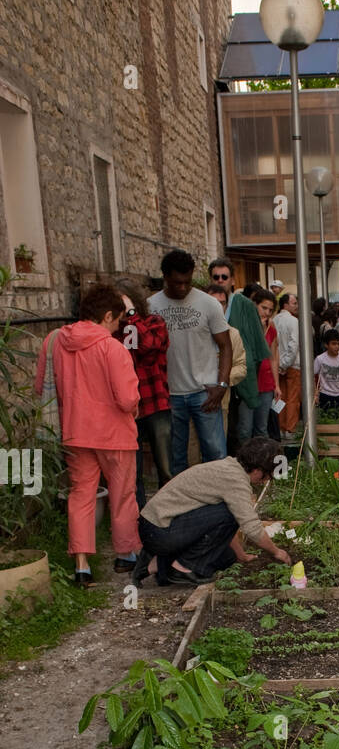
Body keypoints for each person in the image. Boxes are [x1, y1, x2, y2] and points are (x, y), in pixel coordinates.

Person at [44, 284, 140, 586]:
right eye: (118, 320)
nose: (119, 327)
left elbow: (43, 387)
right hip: (114, 434)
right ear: (107, 315)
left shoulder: (56, 341)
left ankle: (82, 565)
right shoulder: (113, 348)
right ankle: (126, 555)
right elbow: (126, 399)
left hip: (75, 432)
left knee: (81, 496)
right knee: (123, 495)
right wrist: (134, 407)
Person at [134, 437, 292, 588]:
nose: (265, 481)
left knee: (227, 558)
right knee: (228, 515)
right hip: (159, 530)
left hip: (159, 528)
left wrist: (240, 555)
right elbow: (251, 527)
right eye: (268, 476)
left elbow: (218, 527)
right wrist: (277, 552)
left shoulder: (231, 467)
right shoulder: (236, 481)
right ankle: (182, 567)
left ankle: (153, 565)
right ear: (258, 470)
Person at [149, 250, 232, 473]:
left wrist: (222, 385)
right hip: (169, 395)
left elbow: (225, 346)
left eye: (187, 282)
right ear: (165, 277)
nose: (183, 288)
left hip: (205, 392)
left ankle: (218, 502)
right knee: (174, 459)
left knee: (215, 455)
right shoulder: (150, 306)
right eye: (177, 283)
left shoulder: (209, 304)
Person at [114, 281, 171, 509]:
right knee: (133, 470)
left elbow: (148, 348)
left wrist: (132, 316)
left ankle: (168, 512)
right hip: (129, 409)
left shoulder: (154, 323)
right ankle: (139, 518)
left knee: (166, 467)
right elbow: (125, 359)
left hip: (156, 403)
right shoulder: (116, 333)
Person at [208, 259, 272, 447]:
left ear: (232, 280)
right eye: (216, 277)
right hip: (212, 377)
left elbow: (258, 344)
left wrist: (249, 368)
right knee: (219, 428)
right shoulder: (203, 304)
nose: (220, 280)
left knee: (245, 428)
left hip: (243, 374)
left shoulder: (245, 305)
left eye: (224, 277)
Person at [206, 284, 247, 452]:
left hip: (220, 402)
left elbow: (241, 366)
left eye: (222, 303)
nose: (217, 307)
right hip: (192, 398)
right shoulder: (195, 332)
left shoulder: (232, 334)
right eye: (213, 302)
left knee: (217, 451)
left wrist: (221, 380)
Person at [251, 284, 280, 439]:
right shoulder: (247, 325)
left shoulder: (271, 327)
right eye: (264, 308)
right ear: (255, 305)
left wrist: (277, 384)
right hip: (250, 381)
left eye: (270, 310)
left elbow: (273, 356)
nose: (267, 313)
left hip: (267, 381)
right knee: (246, 427)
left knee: (262, 426)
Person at [273, 293, 301, 433]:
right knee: (292, 399)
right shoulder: (293, 321)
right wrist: (285, 363)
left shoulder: (274, 320)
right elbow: (294, 344)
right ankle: (290, 430)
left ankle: (279, 428)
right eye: (294, 303)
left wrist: (279, 364)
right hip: (292, 365)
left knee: (280, 398)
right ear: (285, 304)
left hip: (276, 365)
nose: (296, 306)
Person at [314, 329, 339, 419]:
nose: (337, 346)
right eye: (333, 344)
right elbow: (313, 377)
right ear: (326, 345)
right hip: (325, 394)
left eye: (338, 343)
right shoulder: (320, 359)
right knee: (326, 422)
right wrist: (315, 394)